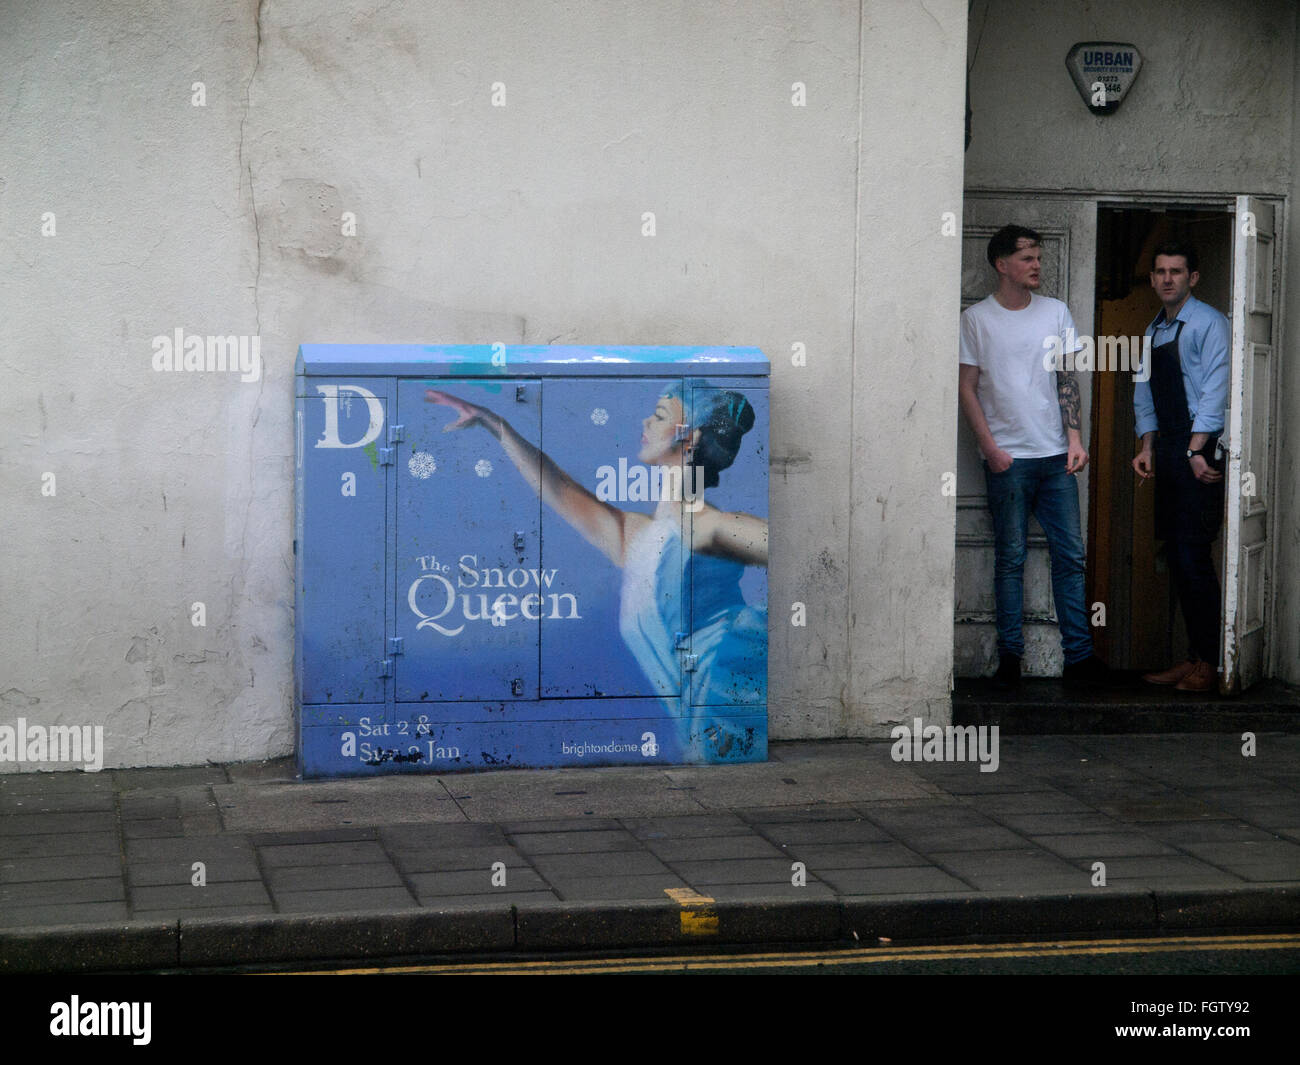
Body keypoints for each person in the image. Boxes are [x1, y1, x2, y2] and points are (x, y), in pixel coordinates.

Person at [424, 382, 768, 760]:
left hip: (724, 722)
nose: (646, 422)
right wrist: (495, 424)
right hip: (696, 737)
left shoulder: (705, 527)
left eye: (659, 416)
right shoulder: (637, 536)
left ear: (691, 436)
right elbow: (559, 489)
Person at [958, 224, 1109, 690]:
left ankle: (1079, 659)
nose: (1037, 265)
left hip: (1055, 457)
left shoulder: (1056, 312)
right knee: (1011, 558)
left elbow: (1067, 379)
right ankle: (1010, 658)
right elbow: (965, 386)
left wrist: (1076, 439)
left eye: (1038, 257)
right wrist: (990, 449)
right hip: (1008, 459)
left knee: (1070, 557)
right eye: (1027, 258)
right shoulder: (977, 319)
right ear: (1002, 264)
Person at [1131, 241, 1230, 692]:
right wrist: (1147, 446)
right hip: (1169, 449)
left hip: (1197, 447)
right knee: (1175, 554)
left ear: (1193, 278)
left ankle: (1209, 664)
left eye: (1176, 271)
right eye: (1160, 271)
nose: (1167, 278)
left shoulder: (1210, 323)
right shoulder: (1150, 331)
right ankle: (1191, 659)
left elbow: (1216, 389)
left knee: (1194, 557)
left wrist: (1194, 450)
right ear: (1152, 280)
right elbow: (1144, 396)